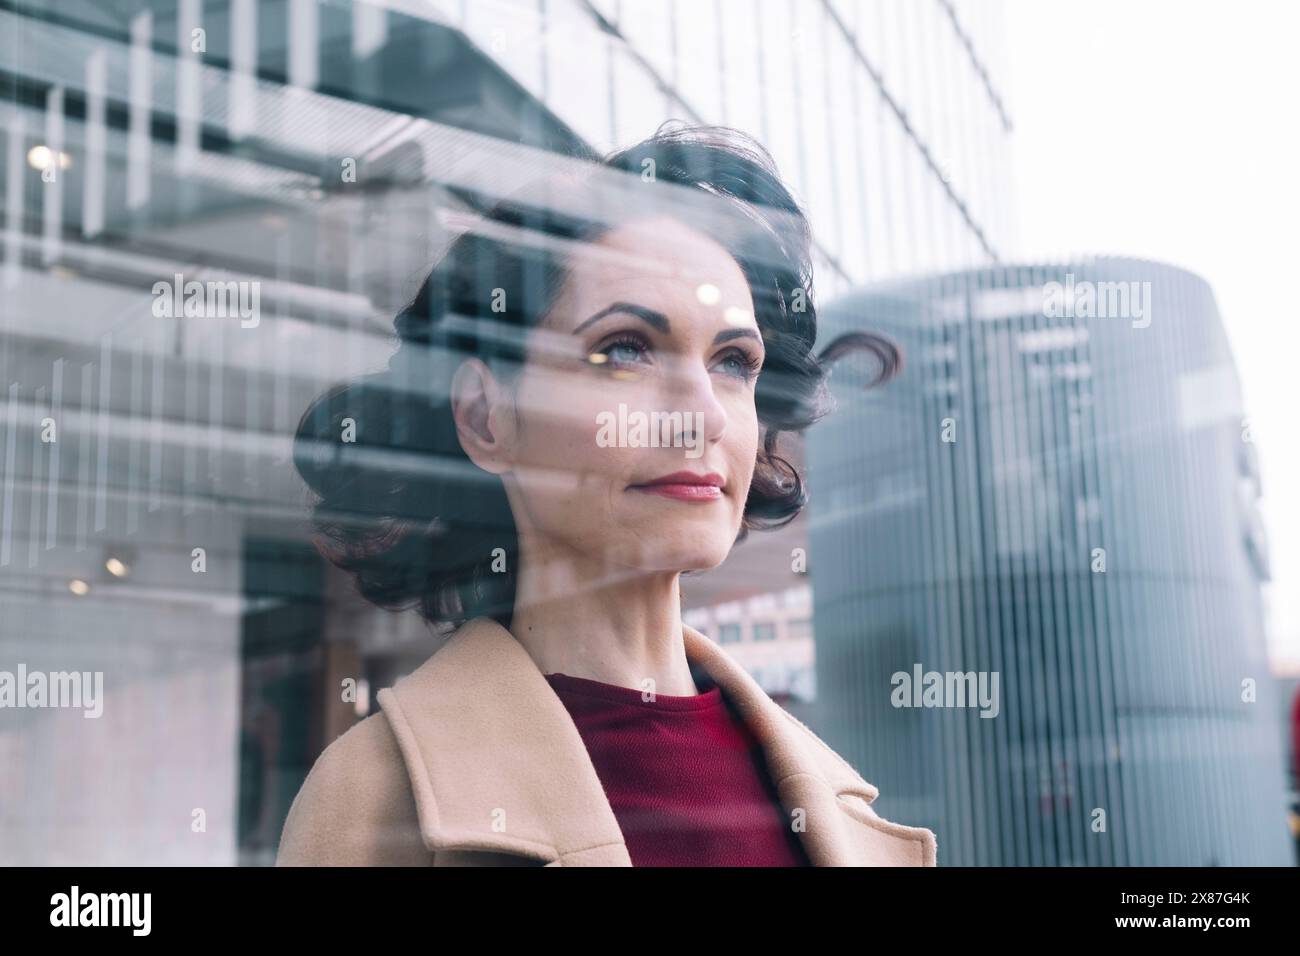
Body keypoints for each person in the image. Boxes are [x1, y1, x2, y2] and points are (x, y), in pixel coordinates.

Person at [276, 121, 936, 867]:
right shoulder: (373, 804)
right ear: (485, 417)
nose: (704, 415)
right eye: (624, 349)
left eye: (734, 361)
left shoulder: (830, 801)